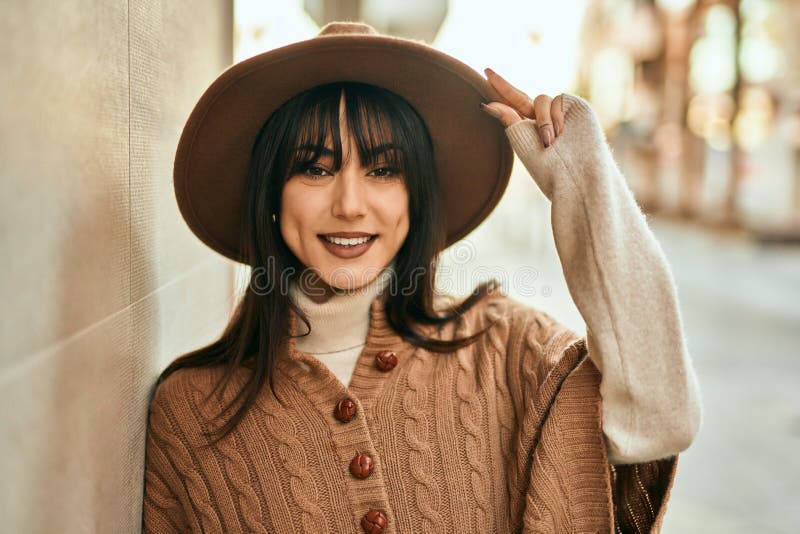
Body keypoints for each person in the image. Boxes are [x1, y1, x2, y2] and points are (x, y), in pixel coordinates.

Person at [142, 21, 702, 533]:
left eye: (384, 170)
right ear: (270, 192)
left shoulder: (509, 348)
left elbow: (659, 417)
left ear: (416, 196)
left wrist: (580, 185)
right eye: (314, 168)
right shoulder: (189, 411)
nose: (351, 204)